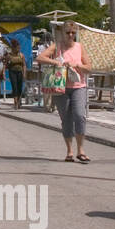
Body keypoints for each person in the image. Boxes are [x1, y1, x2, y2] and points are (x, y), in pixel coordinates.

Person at [38, 21, 93, 162]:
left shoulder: (80, 47)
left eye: (73, 33)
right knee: (66, 119)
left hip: (78, 86)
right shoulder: (57, 46)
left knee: (79, 115)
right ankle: (69, 151)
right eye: (67, 32)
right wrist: (56, 62)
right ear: (63, 33)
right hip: (60, 87)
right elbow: (40, 57)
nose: (70, 35)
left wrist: (77, 65)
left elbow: (89, 67)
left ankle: (81, 150)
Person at [5, 38, 27, 110]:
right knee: (14, 87)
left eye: (19, 48)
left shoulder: (21, 55)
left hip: (20, 72)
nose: (19, 49)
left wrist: (24, 73)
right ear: (13, 48)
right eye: (17, 48)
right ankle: (15, 102)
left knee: (20, 87)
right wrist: (3, 73)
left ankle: (19, 100)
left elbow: (24, 65)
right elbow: (5, 65)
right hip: (12, 72)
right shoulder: (9, 55)